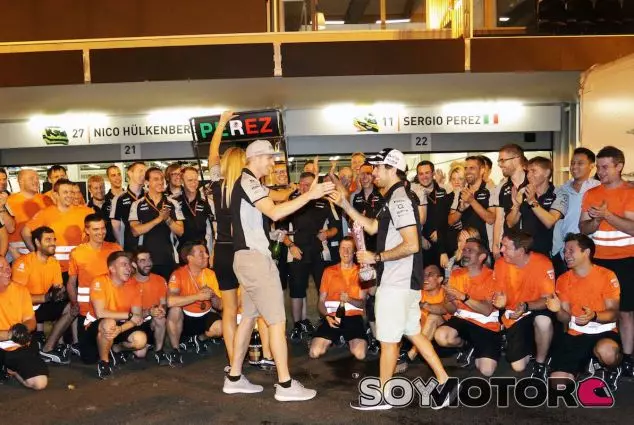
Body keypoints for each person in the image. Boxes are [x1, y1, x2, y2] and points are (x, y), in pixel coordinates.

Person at [329, 148, 454, 411]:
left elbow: (410, 245)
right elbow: (373, 227)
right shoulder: (392, 197)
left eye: (377, 168)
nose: (372, 173)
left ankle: (384, 396)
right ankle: (445, 381)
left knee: (388, 342)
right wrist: (345, 205)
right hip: (403, 283)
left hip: (397, 282)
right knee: (413, 333)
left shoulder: (399, 199)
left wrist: (377, 257)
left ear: (392, 169)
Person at [224, 139, 334, 402]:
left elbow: (273, 205)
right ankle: (285, 385)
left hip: (246, 259)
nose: (273, 163)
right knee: (276, 321)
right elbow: (273, 211)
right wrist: (310, 194)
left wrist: (303, 191)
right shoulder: (249, 181)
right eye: (270, 158)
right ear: (257, 157)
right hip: (255, 261)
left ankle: (235, 378)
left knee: (249, 318)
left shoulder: (250, 183)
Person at [580, 145, 634, 377]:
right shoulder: (591, 194)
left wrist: (606, 215)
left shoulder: (630, 192)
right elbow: (584, 228)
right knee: (597, 309)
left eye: (605, 167)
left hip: (626, 260)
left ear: (619, 166)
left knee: (626, 312)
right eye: (598, 167)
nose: (600, 172)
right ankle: (599, 354)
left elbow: (632, 228)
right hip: (598, 262)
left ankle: (629, 359)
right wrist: (594, 221)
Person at [547, 233, 621, 392]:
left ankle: (610, 368)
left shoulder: (606, 275)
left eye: (571, 250)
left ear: (586, 252)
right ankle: (585, 365)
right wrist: (557, 309)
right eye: (565, 251)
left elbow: (614, 313)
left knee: (607, 352)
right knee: (558, 386)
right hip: (576, 333)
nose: (566, 255)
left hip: (604, 330)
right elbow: (564, 318)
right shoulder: (563, 279)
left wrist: (594, 315)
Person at [492, 230, 555, 380]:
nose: (501, 250)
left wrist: (526, 306)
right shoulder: (500, 263)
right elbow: (499, 295)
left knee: (543, 321)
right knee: (518, 366)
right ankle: (533, 346)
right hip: (514, 314)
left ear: (520, 251)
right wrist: (500, 302)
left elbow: (548, 299)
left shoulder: (543, 263)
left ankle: (540, 363)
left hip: (534, 308)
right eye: (501, 246)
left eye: (506, 247)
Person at [435, 238, 502, 376]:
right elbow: (451, 310)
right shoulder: (456, 274)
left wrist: (463, 296)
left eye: (469, 250)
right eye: (464, 249)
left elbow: (487, 310)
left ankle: (481, 349)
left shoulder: (492, 276)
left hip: (486, 324)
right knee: (441, 336)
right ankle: (465, 346)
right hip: (463, 320)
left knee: (486, 371)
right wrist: (450, 301)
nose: (464, 253)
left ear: (482, 257)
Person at [284, 171, 339, 341]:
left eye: (308, 185)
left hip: (319, 251)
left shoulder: (325, 201)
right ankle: (298, 325)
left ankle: (328, 323)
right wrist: (291, 245)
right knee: (297, 290)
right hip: (297, 251)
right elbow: (280, 229)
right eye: (301, 184)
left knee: (324, 290)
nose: (303, 187)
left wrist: (327, 234)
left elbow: (336, 227)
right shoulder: (292, 200)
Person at [12, 226, 77, 365]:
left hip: (40, 307)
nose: (53, 243)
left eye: (54, 239)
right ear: (37, 242)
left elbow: (57, 290)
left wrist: (62, 293)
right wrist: (46, 297)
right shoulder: (23, 263)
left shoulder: (53, 262)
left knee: (72, 307)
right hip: (22, 312)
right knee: (28, 355)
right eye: (48, 240)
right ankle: (39, 342)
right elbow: (17, 298)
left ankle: (48, 348)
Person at [81, 251, 147, 380]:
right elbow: (101, 313)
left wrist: (121, 329)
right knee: (109, 323)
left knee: (141, 342)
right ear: (112, 269)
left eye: (129, 265)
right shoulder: (99, 281)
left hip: (120, 326)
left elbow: (137, 316)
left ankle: (115, 350)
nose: (129, 268)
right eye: (123, 264)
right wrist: (129, 315)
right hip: (96, 327)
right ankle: (104, 361)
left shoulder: (134, 285)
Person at [67, 214, 122, 355]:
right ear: (87, 231)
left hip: (113, 308)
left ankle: (113, 348)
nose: (101, 232)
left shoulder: (115, 249)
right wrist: (74, 303)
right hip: (87, 312)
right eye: (96, 229)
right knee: (88, 357)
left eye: (103, 228)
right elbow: (71, 282)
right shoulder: (77, 252)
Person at [23, 179, 94, 282]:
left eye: (71, 192)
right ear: (56, 195)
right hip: (55, 270)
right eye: (65, 192)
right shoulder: (45, 213)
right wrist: (37, 254)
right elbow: (25, 232)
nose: (69, 195)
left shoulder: (86, 212)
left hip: (80, 268)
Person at [309, 237, 367, 360]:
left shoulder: (361, 271)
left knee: (360, 354)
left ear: (354, 252)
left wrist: (349, 299)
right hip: (332, 317)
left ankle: (349, 339)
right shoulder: (329, 271)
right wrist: (327, 316)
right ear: (339, 250)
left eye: (349, 248)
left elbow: (362, 304)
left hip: (353, 317)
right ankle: (335, 338)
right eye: (343, 248)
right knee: (314, 352)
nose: (345, 252)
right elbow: (320, 302)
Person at [167, 242, 223, 364]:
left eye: (206, 253)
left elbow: (220, 306)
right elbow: (170, 301)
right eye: (201, 254)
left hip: (204, 314)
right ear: (189, 258)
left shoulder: (210, 274)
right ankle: (176, 350)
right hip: (186, 317)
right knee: (174, 310)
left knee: (221, 327)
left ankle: (200, 338)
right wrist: (197, 296)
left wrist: (212, 295)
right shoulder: (178, 274)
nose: (207, 256)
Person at [0, 257, 48, 390]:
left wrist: (23, 328)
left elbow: (31, 321)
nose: (8, 270)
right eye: (1, 269)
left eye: (7, 266)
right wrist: (11, 333)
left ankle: (12, 370)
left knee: (40, 383)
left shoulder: (20, 290)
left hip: (17, 345)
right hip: (7, 339)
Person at [129, 167, 184, 281]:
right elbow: (135, 231)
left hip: (168, 257)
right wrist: (158, 219)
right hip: (145, 259)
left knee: (168, 295)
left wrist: (168, 219)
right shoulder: (137, 204)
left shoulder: (173, 203)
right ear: (147, 182)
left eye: (162, 179)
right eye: (156, 179)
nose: (160, 182)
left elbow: (180, 231)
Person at [506, 156, 567, 256]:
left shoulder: (558, 194)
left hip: (549, 253)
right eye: (528, 172)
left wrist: (532, 201)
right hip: (526, 253)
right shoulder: (523, 192)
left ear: (547, 173)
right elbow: (510, 223)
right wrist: (516, 207)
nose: (529, 175)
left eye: (534, 171)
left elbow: (550, 222)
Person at [552, 148, 598, 277]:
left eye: (580, 163)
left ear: (592, 166)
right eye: (573, 163)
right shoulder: (561, 190)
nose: (574, 167)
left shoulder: (598, 188)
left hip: (590, 252)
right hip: (564, 253)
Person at [448, 157, 495, 252]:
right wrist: (460, 209)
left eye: (472, 168)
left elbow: (491, 219)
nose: (467, 171)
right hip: (465, 248)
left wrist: (472, 201)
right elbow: (450, 221)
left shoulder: (492, 190)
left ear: (482, 170)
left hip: (485, 247)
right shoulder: (460, 192)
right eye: (466, 168)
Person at [132, 249, 169, 365]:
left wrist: (161, 309)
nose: (148, 263)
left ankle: (159, 350)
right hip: (135, 322)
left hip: (152, 320)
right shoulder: (128, 282)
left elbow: (164, 303)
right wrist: (149, 312)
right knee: (140, 354)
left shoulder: (159, 279)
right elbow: (129, 314)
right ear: (134, 264)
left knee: (161, 318)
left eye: (149, 259)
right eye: (142, 260)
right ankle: (118, 348)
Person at [492, 144, 528, 259]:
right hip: (509, 247)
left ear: (517, 159)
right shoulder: (502, 187)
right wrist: (495, 244)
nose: (499, 164)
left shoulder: (533, 183)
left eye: (502, 160)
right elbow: (499, 218)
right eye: (499, 161)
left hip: (532, 246)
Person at [412, 160, 450, 269]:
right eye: (421, 174)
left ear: (433, 173)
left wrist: (441, 232)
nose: (424, 177)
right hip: (421, 246)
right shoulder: (412, 194)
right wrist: (420, 238)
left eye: (427, 173)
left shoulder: (445, 191)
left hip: (442, 246)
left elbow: (451, 218)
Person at [6, 169, 47, 261]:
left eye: (37, 178)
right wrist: (11, 250)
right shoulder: (8, 201)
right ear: (20, 181)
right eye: (31, 178)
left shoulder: (47, 200)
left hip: (42, 250)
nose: (36, 181)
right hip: (16, 253)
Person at [174, 166, 214, 249]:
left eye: (196, 180)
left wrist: (212, 250)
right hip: (182, 250)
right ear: (182, 181)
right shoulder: (174, 201)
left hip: (202, 249)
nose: (193, 183)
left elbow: (213, 228)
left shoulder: (207, 201)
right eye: (189, 180)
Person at [111, 162, 147, 251]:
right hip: (130, 248)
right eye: (140, 171)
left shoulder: (150, 195)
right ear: (130, 174)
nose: (143, 174)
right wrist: (122, 245)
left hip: (149, 247)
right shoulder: (119, 198)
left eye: (145, 171)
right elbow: (115, 226)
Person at [87, 175, 116, 243]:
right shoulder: (87, 208)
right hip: (95, 248)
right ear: (90, 189)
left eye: (101, 187)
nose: (99, 190)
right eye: (96, 188)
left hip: (112, 245)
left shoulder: (114, 204)